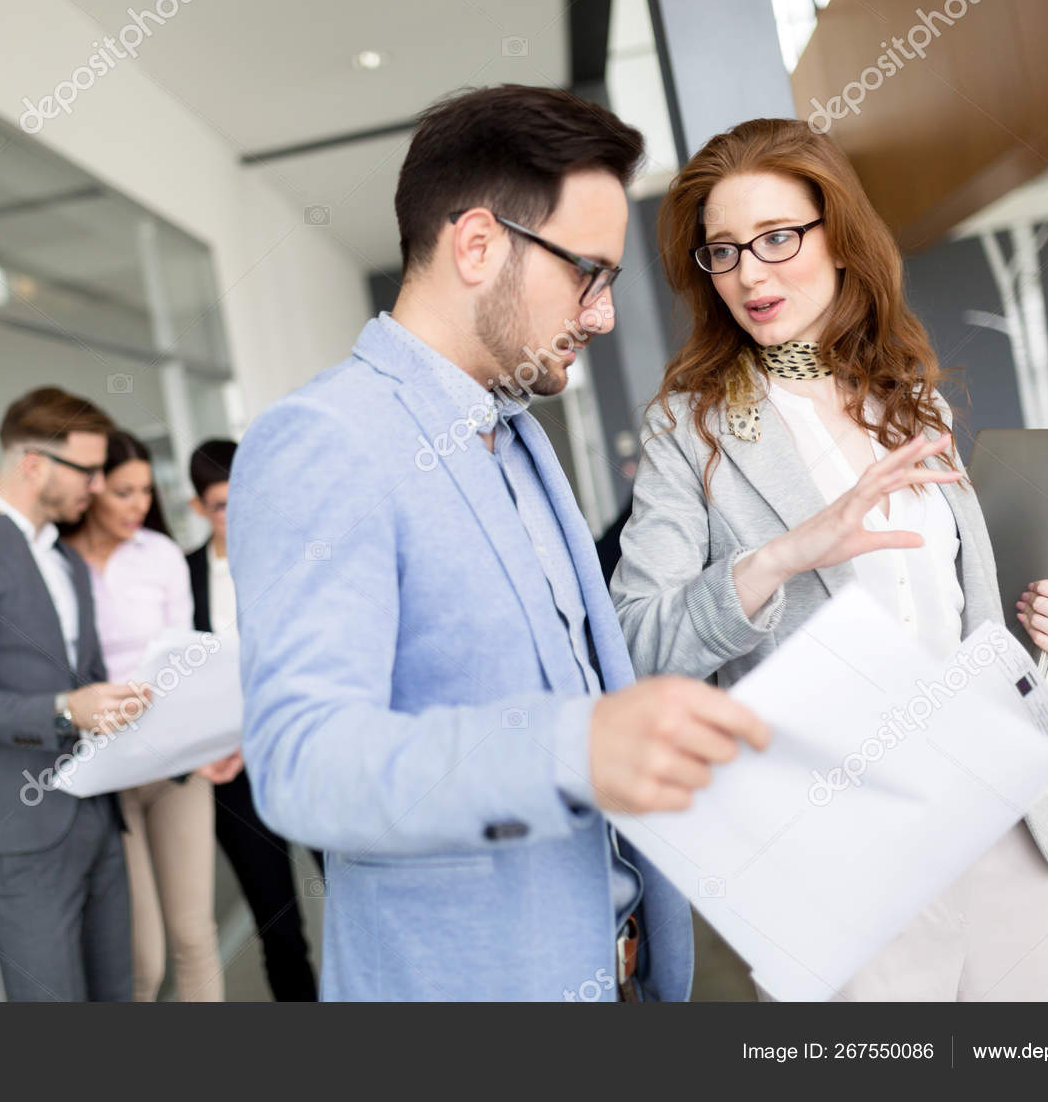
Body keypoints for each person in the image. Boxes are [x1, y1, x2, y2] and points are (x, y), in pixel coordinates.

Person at [228, 84, 769, 1002]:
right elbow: (302, 762)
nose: (599, 315)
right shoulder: (325, 438)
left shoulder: (515, 432)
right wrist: (571, 745)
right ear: (477, 245)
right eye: (586, 272)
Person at [611, 118, 1048, 1001]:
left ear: (838, 236)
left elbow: (959, 625)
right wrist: (785, 555)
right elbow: (637, 644)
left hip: (995, 814)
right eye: (723, 251)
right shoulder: (693, 430)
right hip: (841, 853)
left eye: (776, 238)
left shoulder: (910, 402)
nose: (750, 274)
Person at [0, 387, 153, 1002]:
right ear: (34, 463)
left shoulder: (64, 560)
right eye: (88, 471)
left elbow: (81, 676)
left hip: (95, 816)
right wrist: (68, 709)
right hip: (15, 834)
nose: (97, 486)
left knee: (117, 994)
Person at [62, 430, 225, 1002]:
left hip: (174, 765)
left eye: (145, 492)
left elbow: (188, 656)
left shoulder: (158, 555)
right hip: (104, 774)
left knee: (193, 935)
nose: (138, 504)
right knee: (142, 960)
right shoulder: (58, 563)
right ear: (93, 487)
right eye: (123, 491)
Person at [184, 437, 320, 1002]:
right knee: (278, 924)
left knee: (359, 890)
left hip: (303, 753)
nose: (234, 513)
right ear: (198, 508)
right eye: (220, 504)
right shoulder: (180, 574)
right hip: (232, 769)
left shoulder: (294, 558)